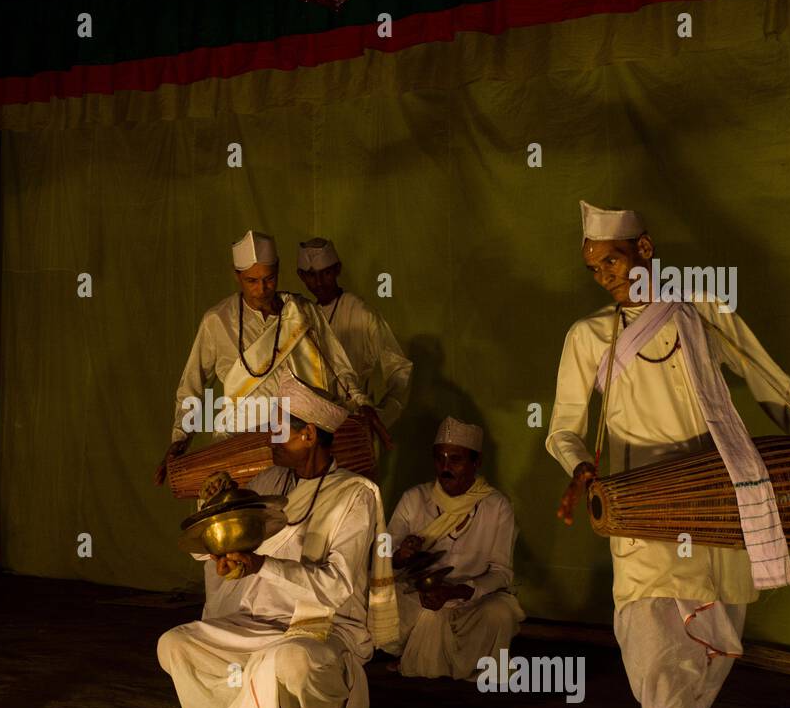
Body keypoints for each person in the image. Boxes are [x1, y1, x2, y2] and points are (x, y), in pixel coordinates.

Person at [547, 200, 790, 708]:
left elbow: (765, 375)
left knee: (719, 624)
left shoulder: (702, 309)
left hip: (718, 487)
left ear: (645, 247)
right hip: (642, 498)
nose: (605, 276)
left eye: (612, 260)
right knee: (647, 624)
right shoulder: (585, 336)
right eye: (593, 269)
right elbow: (562, 426)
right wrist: (581, 469)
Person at [157, 374, 401, 708]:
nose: (269, 437)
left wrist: (261, 564)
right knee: (174, 644)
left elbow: (337, 586)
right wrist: (213, 511)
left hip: (322, 628)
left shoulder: (355, 494)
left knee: (288, 660)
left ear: (307, 434)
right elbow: (226, 539)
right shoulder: (272, 480)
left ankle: (287, 707)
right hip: (258, 624)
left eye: (278, 428)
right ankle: (271, 707)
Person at [154, 230, 389, 485]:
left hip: (299, 447)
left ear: (278, 270)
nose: (262, 289)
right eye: (251, 281)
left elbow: (340, 369)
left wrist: (362, 403)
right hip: (240, 446)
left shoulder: (301, 312)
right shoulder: (217, 320)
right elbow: (192, 386)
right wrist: (180, 437)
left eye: (269, 278)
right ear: (237, 276)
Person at [389, 417, 524, 679]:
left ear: (477, 462)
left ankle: (456, 662)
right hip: (419, 596)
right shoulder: (414, 499)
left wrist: (458, 591)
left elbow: (501, 572)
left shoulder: (497, 506)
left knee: (500, 613)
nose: (445, 467)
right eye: (440, 458)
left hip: (471, 600)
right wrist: (401, 555)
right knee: (385, 597)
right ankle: (407, 653)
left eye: (456, 459)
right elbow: (383, 553)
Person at [297, 237, 412, 430]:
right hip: (311, 425)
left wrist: (382, 414)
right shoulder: (303, 317)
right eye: (311, 275)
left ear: (337, 270)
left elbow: (399, 368)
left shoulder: (361, 313)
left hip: (353, 421)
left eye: (325, 273)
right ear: (301, 276)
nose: (318, 283)